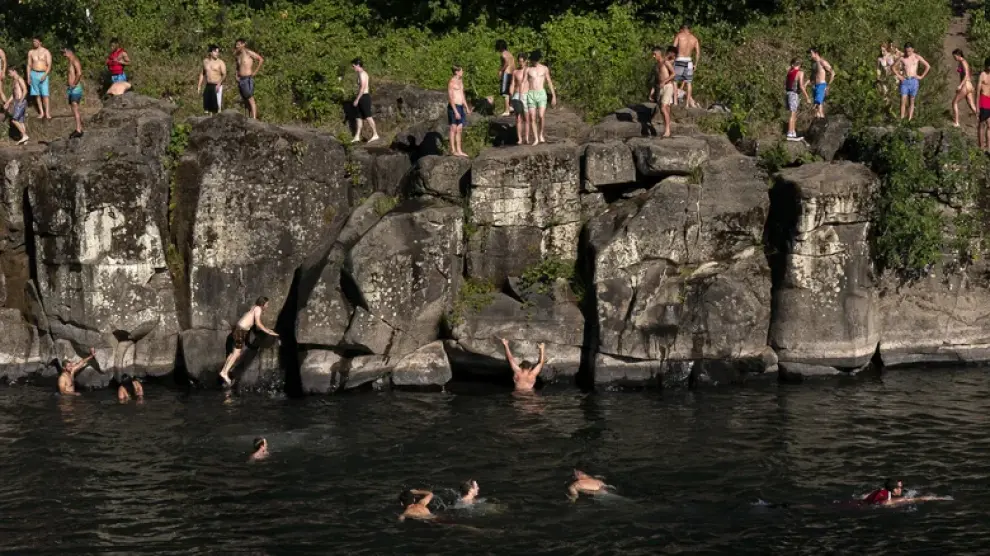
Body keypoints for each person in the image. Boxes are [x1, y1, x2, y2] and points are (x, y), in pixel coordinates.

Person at [218, 296, 280, 386]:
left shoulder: (254, 307)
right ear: (263, 303)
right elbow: (258, 323)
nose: (268, 306)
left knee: (233, 353)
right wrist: (268, 331)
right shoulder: (258, 309)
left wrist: (267, 330)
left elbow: (252, 323)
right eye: (267, 304)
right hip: (241, 331)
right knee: (236, 354)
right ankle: (224, 373)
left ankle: (224, 371)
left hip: (238, 329)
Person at [525, 50, 557, 146]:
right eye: (532, 60)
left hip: (541, 93)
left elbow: (549, 82)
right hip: (531, 94)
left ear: (538, 59)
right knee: (532, 117)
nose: (533, 62)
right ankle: (535, 138)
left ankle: (541, 134)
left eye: (535, 60)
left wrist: (554, 96)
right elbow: (523, 83)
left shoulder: (544, 68)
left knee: (541, 116)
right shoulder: (528, 70)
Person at [893, 42, 930, 121]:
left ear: (913, 49)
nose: (908, 53)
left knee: (912, 100)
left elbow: (928, 66)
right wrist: (899, 76)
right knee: (903, 100)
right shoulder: (902, 58)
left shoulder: (917, 57)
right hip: (905, 81)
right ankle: (902, 119)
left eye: (909, 51)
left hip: (914, 81)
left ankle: (909, 120)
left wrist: (921, 76)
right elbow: (893, 67)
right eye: (906, 51)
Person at [650, 46, 677, 138]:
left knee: (663, 107)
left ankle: (667, 130)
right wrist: (652, 91)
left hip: (668, 86)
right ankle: (667, 129)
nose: (653, 56)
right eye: (653, 54)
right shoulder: (657, 65)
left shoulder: (666, 62)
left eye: (655, 54)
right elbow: (656, 80)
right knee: (665, 110)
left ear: (659, 54)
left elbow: (673, 74)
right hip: (660, 88)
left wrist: (664, 81)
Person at [672, 23, 701, 108]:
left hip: (679, 60)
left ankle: (675, 102)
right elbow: (698, 53)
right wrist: (695, 64)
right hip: (689, 61)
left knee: (675, 81)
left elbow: (673, 48)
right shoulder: (694, 39)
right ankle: (687, 104)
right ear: (689, 29)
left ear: (682, 29)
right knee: (688, 83)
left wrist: (672, 60)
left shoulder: (679, 35)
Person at [234, 38, 264, 119]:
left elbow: (260, 60)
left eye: (238, 44)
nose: (237, 46)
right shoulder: (238, 55)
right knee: (245, 100)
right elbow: (237, 67)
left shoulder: (248, 53)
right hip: (241, 80)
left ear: (243, 44)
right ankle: (248, 118)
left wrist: (255, 72)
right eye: (236, 44)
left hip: (247, 79)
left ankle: (254, 119)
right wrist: (236, 75)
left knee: (250, 98)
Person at [351, 58, 379, 143]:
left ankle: (375, 134)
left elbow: (362, 88)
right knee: (358, 117)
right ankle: (357, 136)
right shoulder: (360, 73)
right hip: (361, 96)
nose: (353, 68)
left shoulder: (362, 74)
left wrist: (357, 99)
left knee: (368, 116)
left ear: (358, 65)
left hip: (364, 97)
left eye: (353, 66)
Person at [447, 66, 471, 158]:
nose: (462, 72)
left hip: (460, 106)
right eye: (461, 70)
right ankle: (453, 150)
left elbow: (462, 95)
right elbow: (451, 99)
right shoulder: (451, 82)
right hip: (454, 107)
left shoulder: (460, 81)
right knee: (453, 128)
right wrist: (455, 111)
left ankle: (459, 150)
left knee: (460, 128)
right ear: (456, 72)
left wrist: (467, 107)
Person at [784, 58, 811, 141]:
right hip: (794, 94)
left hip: (788, 93)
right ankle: (790, 133)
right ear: (799, 65)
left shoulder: (789, 72)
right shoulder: (800, 73)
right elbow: (801, 86)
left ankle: (792, 132)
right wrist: (807, 97)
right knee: (792, 114)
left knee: (794, 113)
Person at [951, 48, 979, 128]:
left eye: (954, 56)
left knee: (954, 102)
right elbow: (968, 72)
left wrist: (960, 85)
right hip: (968, 85)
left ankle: (956, 122)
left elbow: (966, 75)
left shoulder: (963, 62)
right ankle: (982, 121)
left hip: (966, 85)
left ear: (958, 55)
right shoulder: (962, 63)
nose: (954, 58)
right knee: (972, 105)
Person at [27, 37, 52, 120]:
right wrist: (28, 76)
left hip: (43, 73)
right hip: (34, 73)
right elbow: (29, 65)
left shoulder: (46, 52)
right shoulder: (31, 52)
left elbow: (49, 65)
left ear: (40, 42)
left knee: (45, 94)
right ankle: (41, 112)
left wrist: (45, 74)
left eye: (36, 41)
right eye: (33, 41)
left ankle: (47, 113)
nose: (34, 42)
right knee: (37, 94)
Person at [197, 44, 226, 115]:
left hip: (217, 85)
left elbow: (224, 74)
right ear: (210, 52)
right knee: (208, 107)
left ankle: (218, 122)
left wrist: (219, 84)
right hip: (208, 85)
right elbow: (202, 73)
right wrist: (199, 86)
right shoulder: (205, 61)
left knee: (217, 107)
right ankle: (209, 121)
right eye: (215, 52)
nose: (217, 53)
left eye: (218, 52)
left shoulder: (220, 62)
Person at [4, 68, 29, 145]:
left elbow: (25, 90)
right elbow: (13, 94)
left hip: (20, 101)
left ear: (14, 71)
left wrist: (21, 101)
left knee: (14, 120)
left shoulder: (19, 79)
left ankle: (25, 135)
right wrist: (8, 102)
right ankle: (25, 139)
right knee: (20, 121)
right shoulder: (14, 81)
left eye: (10, 72)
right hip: (17, 102)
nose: (9, 74)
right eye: (8, 73)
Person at [509, 52, 530, 145]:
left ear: (526, 61)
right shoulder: (515, 72)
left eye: (522, 61)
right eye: (519, 61)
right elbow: (512, 84)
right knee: (518, 118)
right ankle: (520, 139)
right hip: (517, 94)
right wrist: (510, 93)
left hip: (526, 94)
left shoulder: (528, 71)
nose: (520, 63)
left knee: (526, 117)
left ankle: (527, 138)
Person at [63, 47, 84, 138]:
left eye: (64, 52)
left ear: (69, 52)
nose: (63, 54)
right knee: (73, 108)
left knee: (75, 107)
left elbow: (79, 73)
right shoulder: (70, 61)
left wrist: (74, 84)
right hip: (72, 89)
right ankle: (79, 128)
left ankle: (79, 129)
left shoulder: (75, 60)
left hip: (75, 89)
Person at [808, 48, 835, 119]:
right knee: (817, 109)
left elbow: (833, 73)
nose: (809, 55)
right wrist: (806, 84)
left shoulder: (822, 62)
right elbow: (812, 77)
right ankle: (820, 123)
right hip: (815, 86)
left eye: (811, 53)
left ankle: (821, 122)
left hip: (822, 85)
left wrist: (828, 85)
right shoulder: (814, 64)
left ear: (816, 54)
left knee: (817, 104)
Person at [496, 39, 513, 117]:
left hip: (506, 74)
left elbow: (506, 63)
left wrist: (501, 70)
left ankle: (507, 110)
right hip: (512, 73)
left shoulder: (503, 54)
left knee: (505, 92)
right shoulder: (510, 53)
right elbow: (513, 64)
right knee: (510, 91)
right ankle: (510, 107)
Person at [978, 58, 990, 150]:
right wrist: (977, 105)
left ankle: (988, 146)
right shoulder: (983, 74)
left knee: (989, 125)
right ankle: (981, 146)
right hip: (983, 100)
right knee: (982, 124)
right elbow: (977, 91)